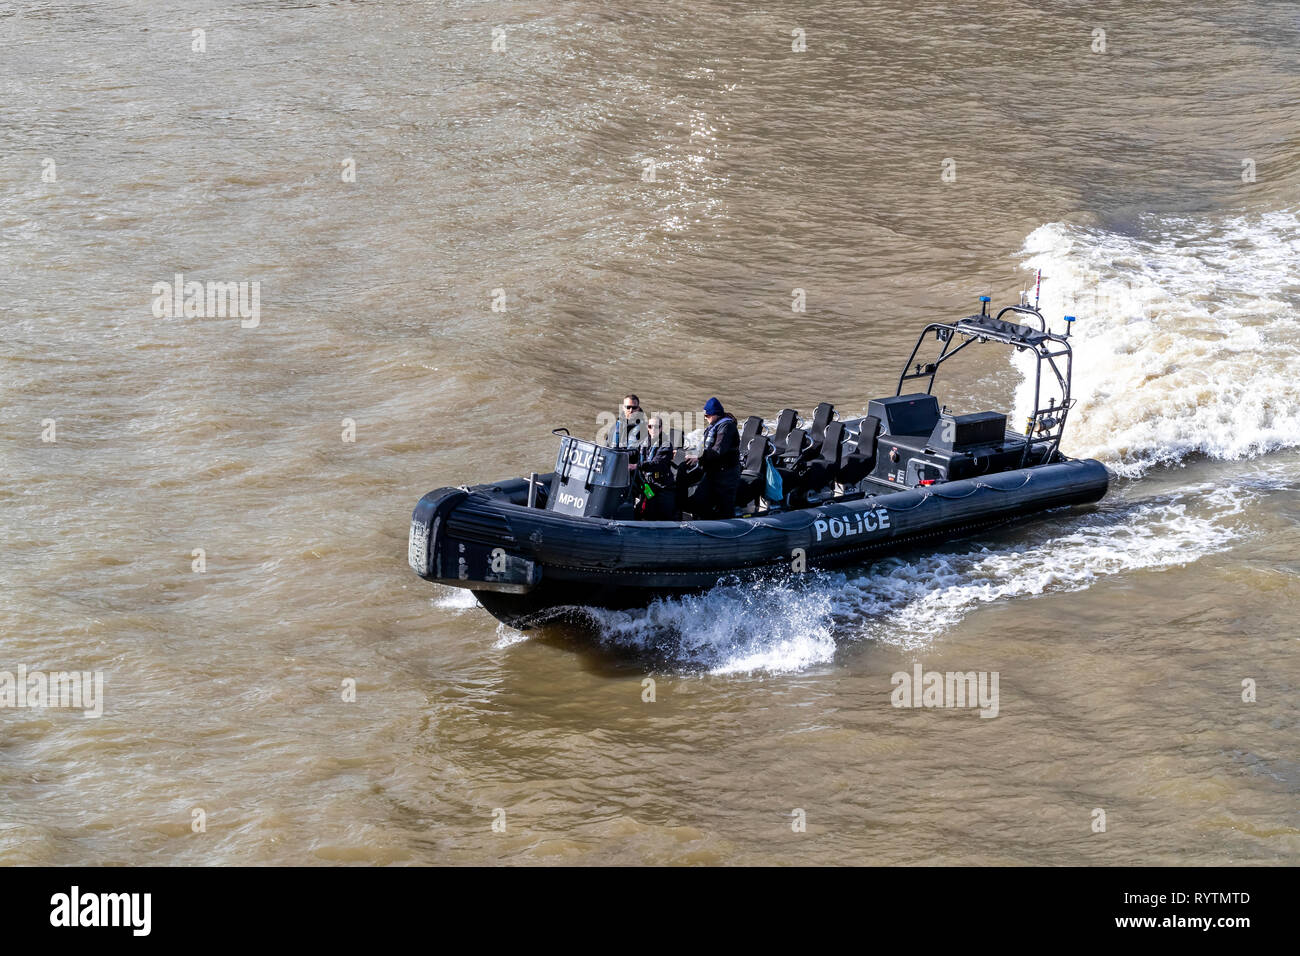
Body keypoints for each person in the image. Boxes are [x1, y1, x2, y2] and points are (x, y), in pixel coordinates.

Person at [677, 397, 742, 518]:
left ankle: (729, 529)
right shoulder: (713, 426)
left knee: (725, 506)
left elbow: (718, 450)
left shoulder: (727, 427)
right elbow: (704, 447)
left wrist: (699, 457)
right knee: (699, 500)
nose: (706, 418)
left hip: (726, 474)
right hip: (712, 472)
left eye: (707, 416)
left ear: (715, 414)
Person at [633, 417, 677, 520]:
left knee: (652, 513)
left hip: (661, 486)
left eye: (656, 427)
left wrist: (637, 466)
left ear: (661, 428)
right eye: (650, 426)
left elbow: (656, 464)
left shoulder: (666, 445)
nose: (653, 429)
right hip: (646, 483)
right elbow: (633, 452)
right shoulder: (643, 442)